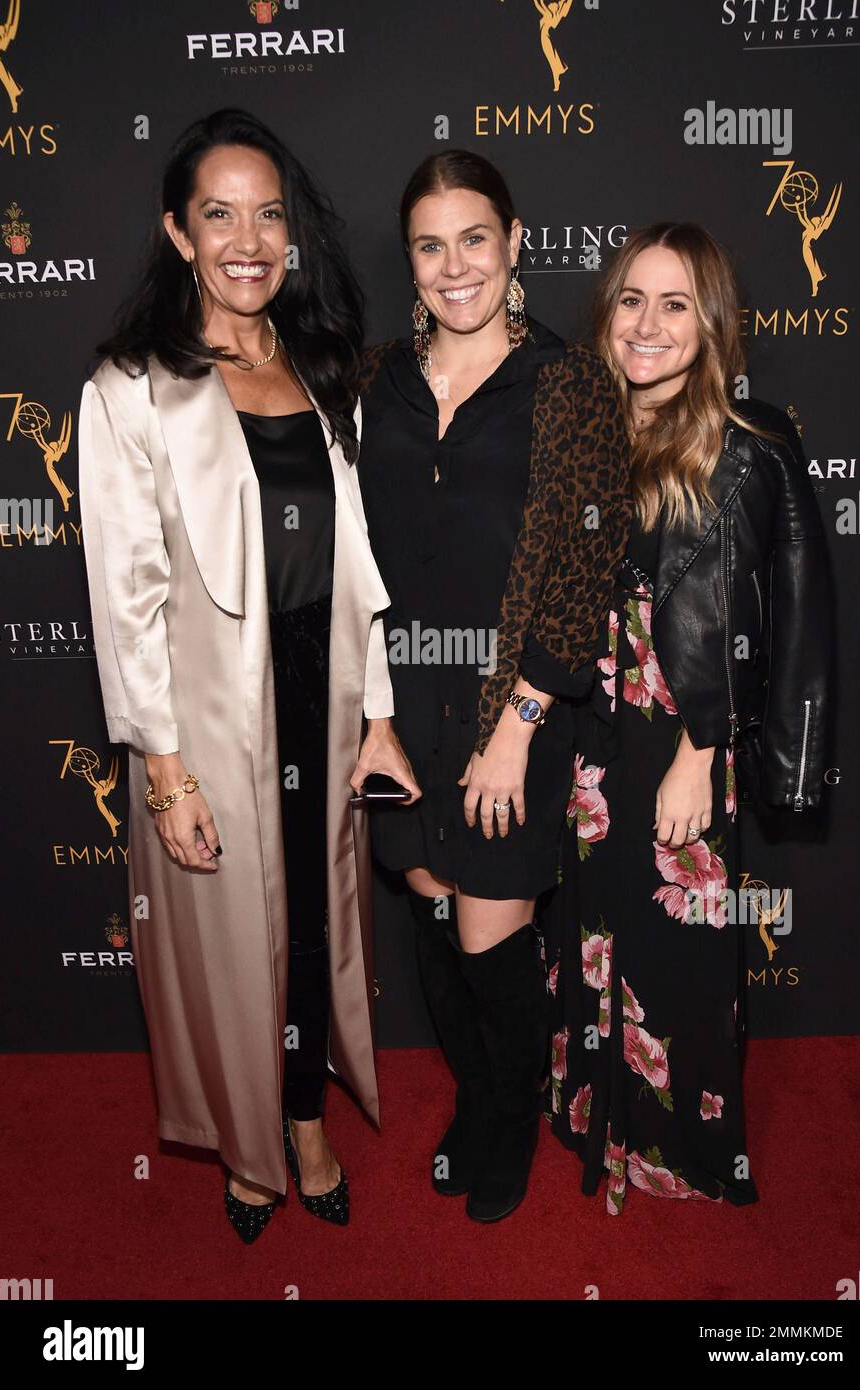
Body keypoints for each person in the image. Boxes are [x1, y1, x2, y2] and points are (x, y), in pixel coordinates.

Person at [78, 109, 418, 1243]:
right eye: (217, 212)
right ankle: (248, 1141)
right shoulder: (133, 385)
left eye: (267, 212)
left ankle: (307, 1120)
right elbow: (124, 595)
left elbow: (358, 555)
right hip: (210, 718)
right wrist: (162, 768)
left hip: (318, 695)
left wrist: (376, 711)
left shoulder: (323, 366)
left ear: (293, 232)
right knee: (232, 945)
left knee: (318, 926)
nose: (246, 236)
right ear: (178, 232)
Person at [357, 150, 633, 1223]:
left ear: (516, 244)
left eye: (476, 238)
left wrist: (519, 725)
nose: (454, 265)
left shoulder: (567, 382)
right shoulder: (377, 379)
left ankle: (512, 1113)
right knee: (430, 904)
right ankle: (475, 1097)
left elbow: (581, 569)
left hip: (508, 710)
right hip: (398, 711)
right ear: (411, 259)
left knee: (491, 931)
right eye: (431, 244)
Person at [540, 222, 833, 1212]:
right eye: (631, 300)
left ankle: (678, 1146)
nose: (649, 324)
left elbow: (785, 615)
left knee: (679, 943)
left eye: (674, 304)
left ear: (708, 325)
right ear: (606, 316)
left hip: (681, 735)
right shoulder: (590, 430)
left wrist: (704, 754)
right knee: (594, 932)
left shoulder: (749, 445)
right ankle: (598, 1115)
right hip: (591, 731)